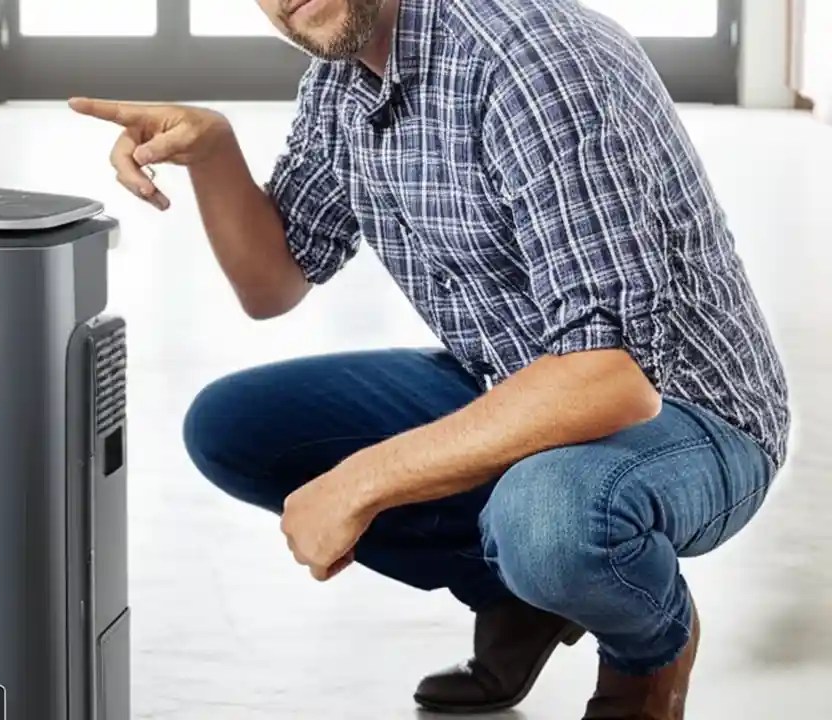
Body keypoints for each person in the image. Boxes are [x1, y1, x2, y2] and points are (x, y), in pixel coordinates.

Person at [70, 0, 790, 718]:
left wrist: (363, 481)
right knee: (233, 428)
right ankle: (516, 596)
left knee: (548, 518)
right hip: (518, 384)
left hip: (688, 411)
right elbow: (272, 281)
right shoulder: (344, 83)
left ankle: (650, 650)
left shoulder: (529, 61)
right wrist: (213, 150)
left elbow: (615, 378)